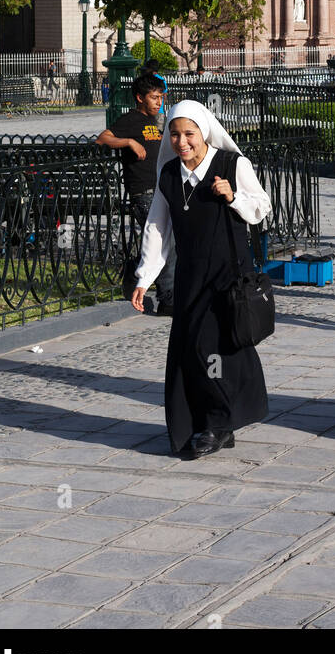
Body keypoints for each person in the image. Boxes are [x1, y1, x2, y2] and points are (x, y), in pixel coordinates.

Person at [132, 100, 272, 458]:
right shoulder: (168, 176)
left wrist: (234, 196)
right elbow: (157, 229)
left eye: (189, 134)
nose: (182, 142)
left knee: (211, 349)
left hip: (228, 275)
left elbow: (261, 206)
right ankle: (207, 421)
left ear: (204, 132)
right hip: (191, 276)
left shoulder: (231, 164)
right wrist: (145, 278)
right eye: (175, 134)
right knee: (191, 350)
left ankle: (217, 424)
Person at [96, 74, 168, 307]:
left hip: (159, 190)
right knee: (162, 241)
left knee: (164, 241)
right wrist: (129, 142)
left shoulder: (155, 122)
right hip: (143, 191)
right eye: (154, 98)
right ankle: (168, 298)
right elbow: (103, 139)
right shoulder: (131, 119)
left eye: (160, 98)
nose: (158, 102)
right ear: (140, 98)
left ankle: (134, 273)